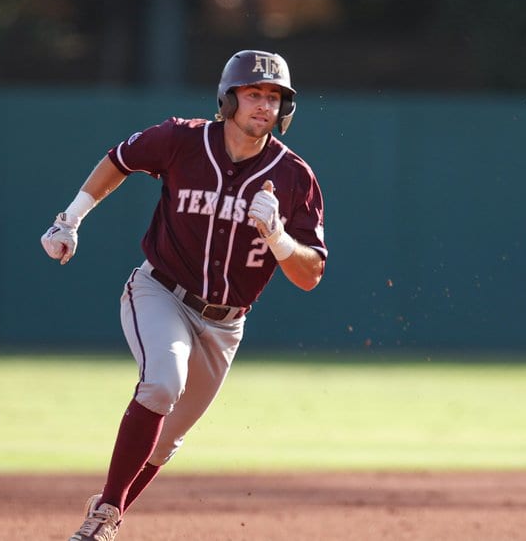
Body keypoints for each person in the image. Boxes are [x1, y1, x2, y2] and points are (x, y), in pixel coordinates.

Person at [40, 50, 328, 541]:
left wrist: (279, 237)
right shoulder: (182, 139)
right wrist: (69, 219)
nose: (264, 105)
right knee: (161, 385)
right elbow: (120, 160)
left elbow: (311, 275)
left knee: (167, 440)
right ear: (228, 98)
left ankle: (106, 509)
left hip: (226, 323)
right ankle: (103, 519)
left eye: (274, 97)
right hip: (161, 292)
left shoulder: (294, 176)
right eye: (253, 93)